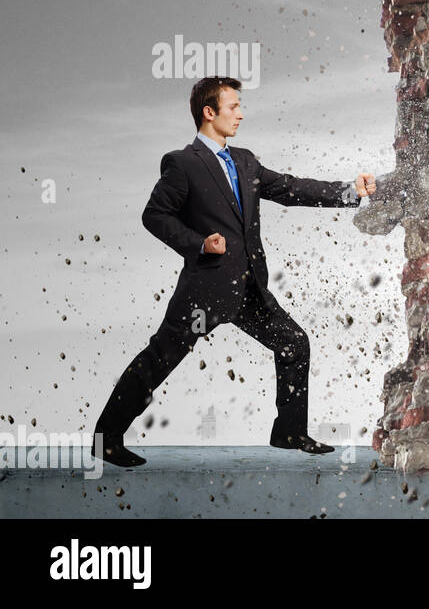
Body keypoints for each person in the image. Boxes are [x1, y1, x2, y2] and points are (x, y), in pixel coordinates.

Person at [92, 76, 376, 467]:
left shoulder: (245, 161)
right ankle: (105, 439)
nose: (241, 114)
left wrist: (350, 191)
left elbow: (290, 189)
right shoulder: (183, 164)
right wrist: (198, 243)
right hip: (203, 291)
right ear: (210, 113)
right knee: (160, 358)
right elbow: (154, 215)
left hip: (248, 288)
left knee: (294, 343)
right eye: (233, 107)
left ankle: (289, 431)